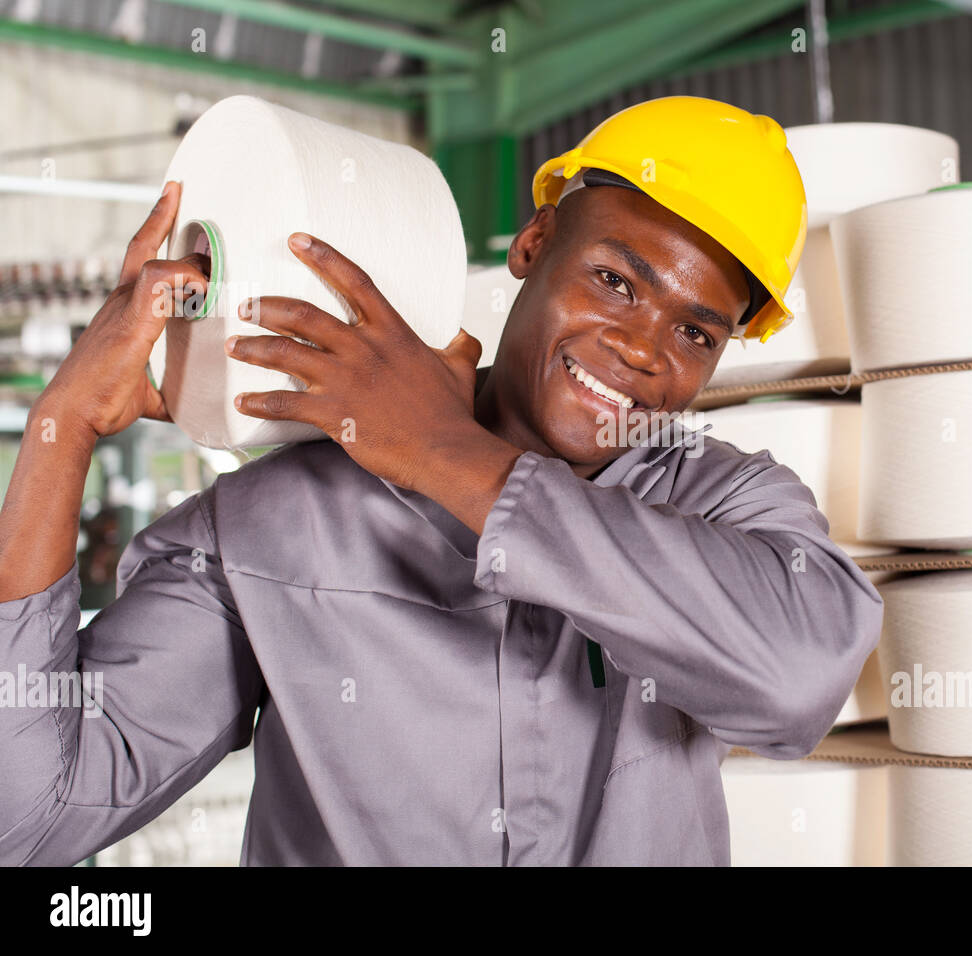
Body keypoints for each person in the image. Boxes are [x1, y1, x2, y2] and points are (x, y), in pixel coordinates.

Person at [0, 95, 882, 866]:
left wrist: (442, 452)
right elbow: (29, 818)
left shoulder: (721, 504)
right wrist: (62, 426)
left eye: (697, 333)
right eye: (615, 280)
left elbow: (798, 680)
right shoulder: (277, 520)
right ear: (534, 243)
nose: (644, 349)